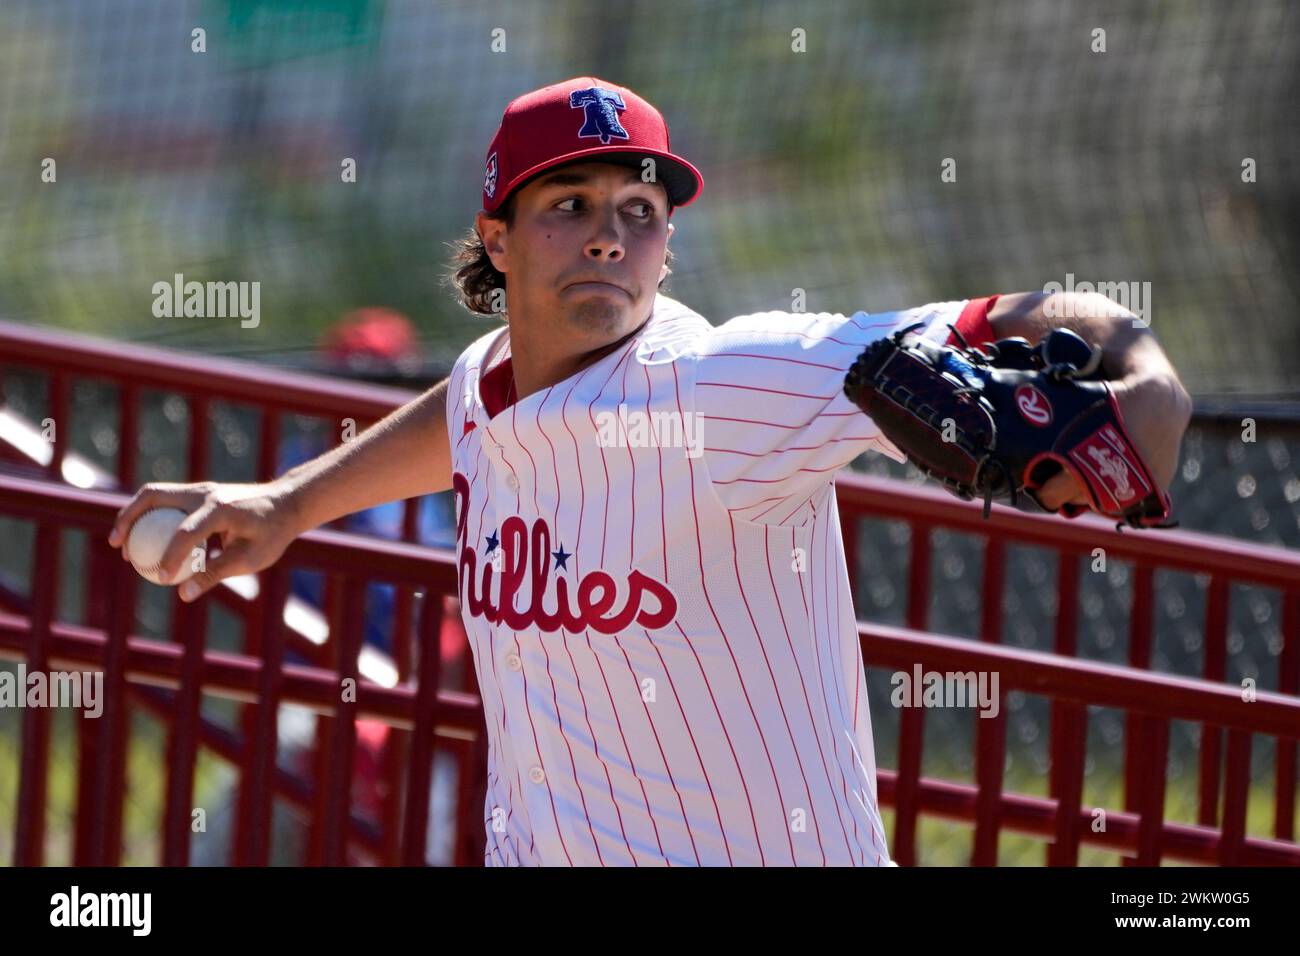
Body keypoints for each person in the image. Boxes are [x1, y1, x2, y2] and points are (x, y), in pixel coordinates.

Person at [108, 76, 1193, 866]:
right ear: (496, 237)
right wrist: (289, 502)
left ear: (667, 246)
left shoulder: (724, 383)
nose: (606, 238)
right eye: (567, 205)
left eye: (638, 212)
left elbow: (1007, 315)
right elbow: (468, 414)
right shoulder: (495, 378)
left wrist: (1139, 371)